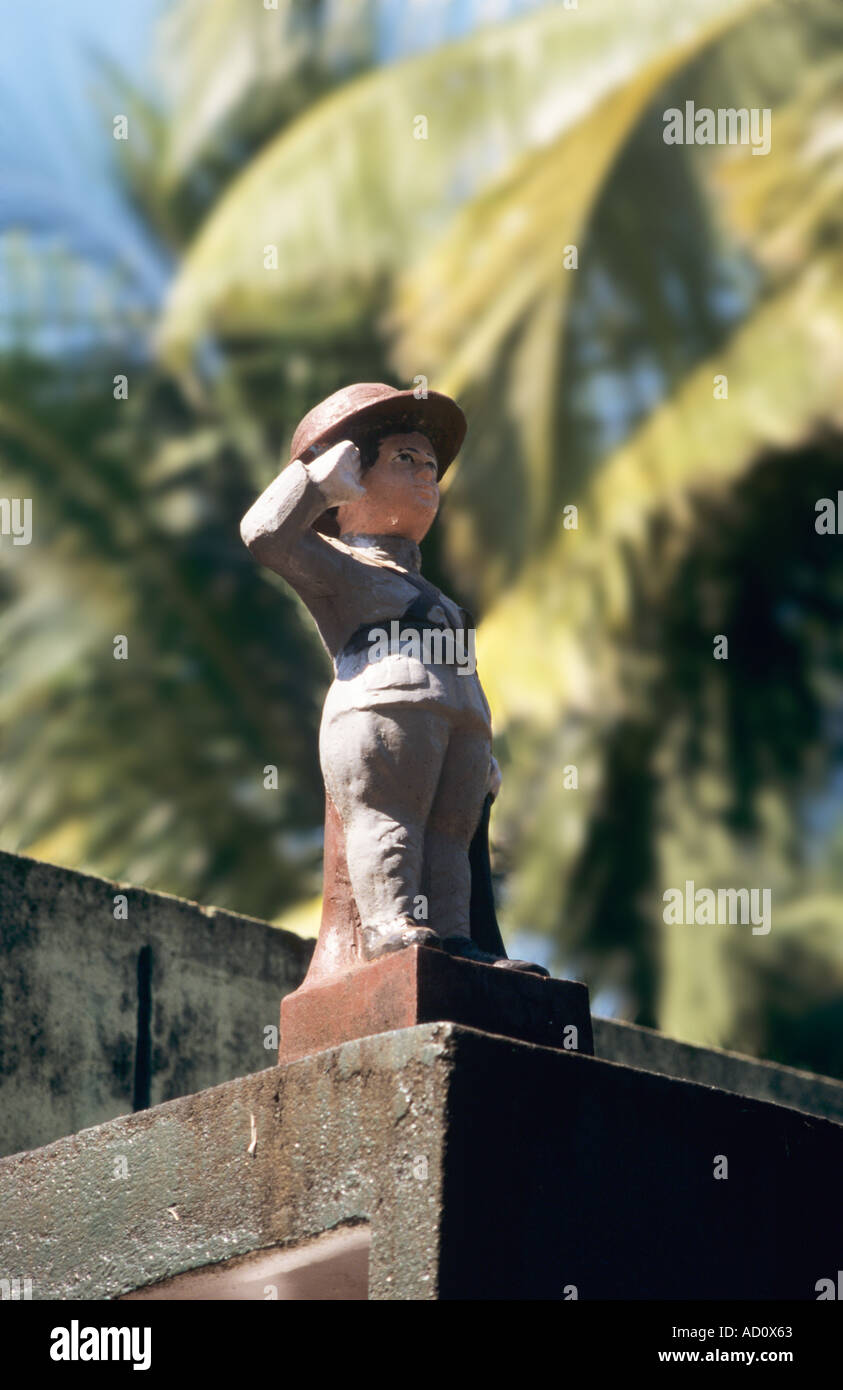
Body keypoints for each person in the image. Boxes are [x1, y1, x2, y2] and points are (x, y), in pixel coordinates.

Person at [241, 382, 546, 976]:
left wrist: (484, 744)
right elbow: (264, 535)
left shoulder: (434, 593)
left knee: (451, 842)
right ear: (352, 474)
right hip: (383, 709)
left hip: (458, 720)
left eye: (430, 463)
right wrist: (314, 480)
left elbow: (462, 665)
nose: (426, 474)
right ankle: (391, 926)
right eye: (403, 459)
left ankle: (458, 942)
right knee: (390, 823)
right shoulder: (341, 567)